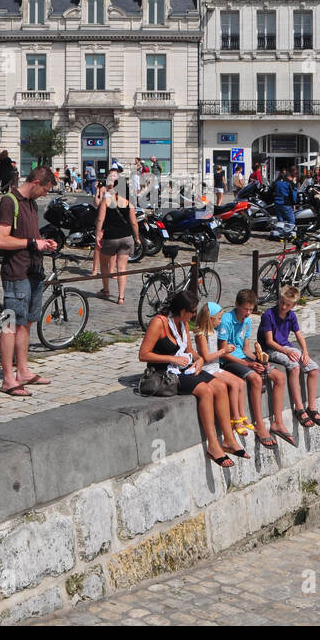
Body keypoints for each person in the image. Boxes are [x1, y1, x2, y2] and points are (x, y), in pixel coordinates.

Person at [138, 290, 241, 468]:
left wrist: (200, 359)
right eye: (192, 311)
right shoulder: (159, 323)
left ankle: (229, 439)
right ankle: (213, 445)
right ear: (181, 310)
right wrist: (172, 358)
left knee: (221, 387)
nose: (194, 315)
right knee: (206, 391)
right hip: (167, 372)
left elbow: (190, 351)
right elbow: (143, 354)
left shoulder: (183, 323)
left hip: (184, 367)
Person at [0, 166, 59, 396]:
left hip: (34, 271)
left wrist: (44, 242)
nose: (45, 195)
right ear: (35, 183)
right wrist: (32, 243)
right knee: (11, 325)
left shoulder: (31, 203)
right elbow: (1, 240)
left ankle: (23, 371)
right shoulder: (9, 202)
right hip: (16, 272)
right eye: (45, 190)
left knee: (27, 322)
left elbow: (31, 236)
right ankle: (8, 379)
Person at [218, 288, 290, 447]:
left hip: (242, 357)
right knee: (256, 379)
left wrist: (259, 360)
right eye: (245, 309)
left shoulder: (248, 321)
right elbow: (223, 353)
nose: (248, 313)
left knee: (279, 377)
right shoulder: (227, 320)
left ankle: (277, 422)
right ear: (237, 305)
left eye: (251, 309)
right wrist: (249, 364)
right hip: (229, 360)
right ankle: (259, 424)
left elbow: (245, 349)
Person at [259, 285, 320, 430]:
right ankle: (299, 407)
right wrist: (287, 352)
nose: (283, 306)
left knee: (313, 369)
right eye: (281, 302)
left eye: (287, 305)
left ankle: (312, 407)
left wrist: (305, 352)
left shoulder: (291, 316)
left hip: (286, 347)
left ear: (293, 305)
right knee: (294, 366)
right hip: (270, 349)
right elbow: (269, 341)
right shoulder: (268, 315)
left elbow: (299, 335)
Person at [194, 302, 253, 440]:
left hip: (215, 366)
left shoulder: (213, 332)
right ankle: (235, 418)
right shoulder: (202, 335)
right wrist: (223, 351)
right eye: (219, 319)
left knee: (240, 383)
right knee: (233, 385)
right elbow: (206, 357)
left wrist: (225, 351)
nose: (221, 322)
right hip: (207, 369)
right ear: (210, 318)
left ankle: (242, 414)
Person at [95, 176, 140, 304]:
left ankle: (106, 290)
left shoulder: (107, 201)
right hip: (126, 238)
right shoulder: (128, 203)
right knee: (122, 268)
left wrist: (98, 234)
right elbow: (134, 223)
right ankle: (121, 297)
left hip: (111, 238)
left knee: (104, 264)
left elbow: (100, 219)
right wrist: (137, 238)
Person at [271, 168, 298, 235]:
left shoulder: (276, 182)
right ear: (290, 177)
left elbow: (271, 192)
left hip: (277, 204)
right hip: (286, 204)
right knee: (291, 220)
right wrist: (294, 203)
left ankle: (280, 233)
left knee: (280, 221)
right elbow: (293, 195)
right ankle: (288, 234)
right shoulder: (289, 183)